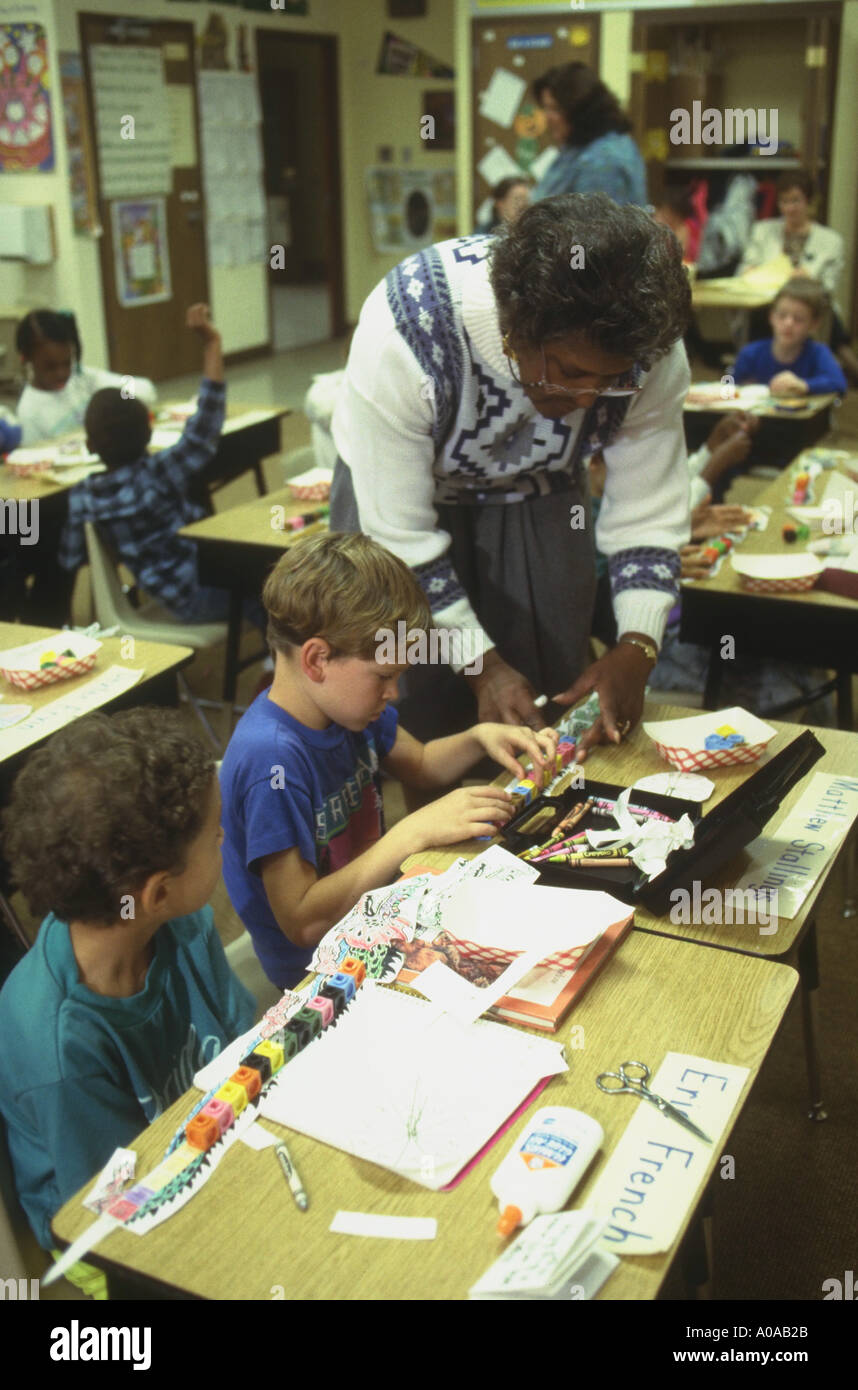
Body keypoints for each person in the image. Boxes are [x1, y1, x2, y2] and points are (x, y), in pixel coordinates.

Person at [330, 193, 692, 758]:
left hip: (542, 492)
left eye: (610, 380)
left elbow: (649, 509)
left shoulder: (645, 349)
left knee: (546, 696)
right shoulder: (406, 333)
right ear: (514, 329)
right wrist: (481, 666)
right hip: (398, 511)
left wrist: (638, 646)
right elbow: (399, 536)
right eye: (570, 372)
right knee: (425, 705)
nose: (587, 397)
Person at [218, 531, 557, 990]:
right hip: (326, 977)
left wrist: (479, 738)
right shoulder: (270, 762)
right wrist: (411, 833)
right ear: (317, 659)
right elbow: (302, 922)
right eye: (384, 676)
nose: (393, 692)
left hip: (378, 924)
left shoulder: (344, 710)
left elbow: (419, 762)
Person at [0, 709, 255, 1261]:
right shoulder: (60, 1049)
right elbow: (119, 1211)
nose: (226, 838)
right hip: (114, 1234)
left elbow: (248, 1049)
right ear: (158, 891)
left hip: (212, 1142)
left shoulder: (174, 921)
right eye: (215, 838)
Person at [57, 304, 260, 625]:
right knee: (274, 588)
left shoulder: (84, 497)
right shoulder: (159, 472)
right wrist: (211, 345)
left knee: (263, 576)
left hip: (178, 596)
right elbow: (204, 427)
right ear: (150, 432)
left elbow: (71, 557)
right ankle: (277, 668)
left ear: (90, 445)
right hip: (203, 589)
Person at [589, 413, 759, 646]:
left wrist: (710, 449)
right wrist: (714, 465)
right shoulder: (592, 517)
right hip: (645, 637)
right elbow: (669, 515)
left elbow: (669, 494)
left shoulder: (620, 493)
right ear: (594, 461)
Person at [737, 169, 858, 384]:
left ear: (809, 202)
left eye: (795, 201)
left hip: (808, 305)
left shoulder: (830, 241)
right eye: (784, 201)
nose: (789, 208)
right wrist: (756, 272)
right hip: (765, 304)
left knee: (813, 314)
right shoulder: (762, 231)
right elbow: (745, 270)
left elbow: (828, 286)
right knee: (757, 318)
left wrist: (808, 279)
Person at [15, 308, 156, 445]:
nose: (62, 373)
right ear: (25, 359)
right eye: (50, 367)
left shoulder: (81, 379)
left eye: (67, 363)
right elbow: (36, 462)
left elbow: (144, 389)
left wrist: (126, 402)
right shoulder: (29, 412)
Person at [530, 63, 646, 206]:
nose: (547, 117)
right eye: (545, 108)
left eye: (554, 109)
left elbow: (596, 226)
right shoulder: (581, 147)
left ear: (579, 111)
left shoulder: (602, 160)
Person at [733, 279, 847, 397]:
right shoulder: (750, 354)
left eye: (798, 319)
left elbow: (839, 384)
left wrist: (804, 385)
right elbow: (731, 388)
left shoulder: (818, 353)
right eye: (782, 315)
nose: (788, 323)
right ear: (771, 317)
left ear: (814, 324)